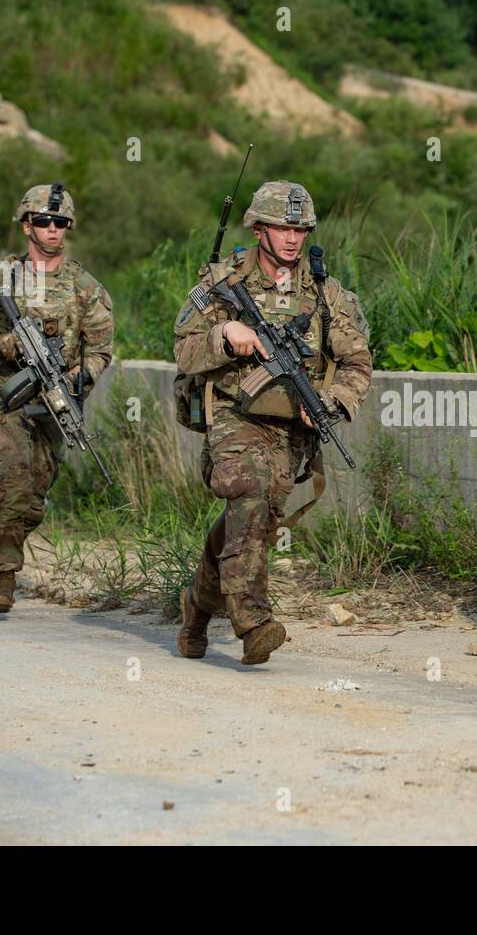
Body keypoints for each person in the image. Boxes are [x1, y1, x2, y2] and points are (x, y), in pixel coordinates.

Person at [172, 181, 371, 665]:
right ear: (258, 228)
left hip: (292, 429)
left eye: (301, 229)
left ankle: (196, 607)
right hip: (234, 417)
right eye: (283, 227)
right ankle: (253, 622)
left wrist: (331, 401)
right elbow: (183, 349)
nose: (293, 238)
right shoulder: (222, 284)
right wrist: (224, 334)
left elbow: (358, 363)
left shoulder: (325, 293)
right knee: (250, 491)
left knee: (255, 520)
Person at [0, 183, 114, 612]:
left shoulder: (85, 287)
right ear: (26, 225)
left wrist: (76, 379)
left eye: (60, 222)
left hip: (56, 400)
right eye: (44, 221)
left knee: (35, 495)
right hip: (8, 393)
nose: (53, 229)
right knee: (15, 474)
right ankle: (4, 576)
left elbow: (101, 349)